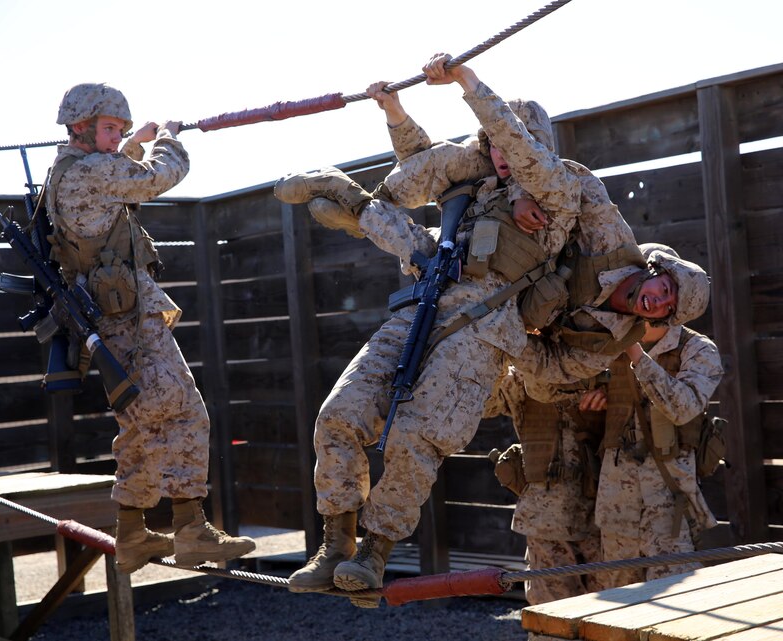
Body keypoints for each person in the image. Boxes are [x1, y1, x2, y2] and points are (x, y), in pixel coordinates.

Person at [274, 54, 589, 602]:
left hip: (482, 332)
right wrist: (395, 110)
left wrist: (466, 82)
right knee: (339, 416)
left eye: (510, 142)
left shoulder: (556, 198)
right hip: (417, 308)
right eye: (491, 144)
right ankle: (336, 544)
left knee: (415, 437)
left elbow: (522, 151)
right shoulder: (471, 191)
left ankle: (375, 551)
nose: (501, 153)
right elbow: (424, 163)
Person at [47, 83, 255, 573]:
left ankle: (133, 532)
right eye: (109, 128)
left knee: (138, 426)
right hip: (132, 326)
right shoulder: (96, 171)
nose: (117, 137)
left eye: (120, 130)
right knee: (186, 413)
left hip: (109, 325)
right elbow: (159, 176)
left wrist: (133, 142)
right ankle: (192, 530)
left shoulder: (71, 171)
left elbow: (116, 177)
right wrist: (169, 139)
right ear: (80, 126)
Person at [578, 243, 723, 586]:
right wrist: (592, 398)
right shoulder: (604, 341)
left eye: (669, 306)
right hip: (616, 506)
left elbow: (682, 406)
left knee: (674, 611)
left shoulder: (698, 350)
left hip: (668, 505)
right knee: (616, 611)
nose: (658, 302)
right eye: (665, 290)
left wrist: (635, 351)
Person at [483, 367, 609, 605]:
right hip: (547, 519)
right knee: (552, 615)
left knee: (607, 614)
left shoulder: (604, 364)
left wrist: (610, 397)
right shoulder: (521, 374)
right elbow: (484, 404)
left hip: (604, 514)